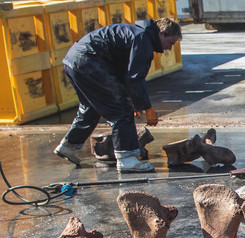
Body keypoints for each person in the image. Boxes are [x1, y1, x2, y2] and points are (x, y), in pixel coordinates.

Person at [53, 16, 182, 173]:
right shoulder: (143, 39)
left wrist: (136, 102)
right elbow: (135, 78)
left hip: (74, 60)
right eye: (171, 42)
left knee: (91, 107)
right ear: (161, 33)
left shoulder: (137, 35)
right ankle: (127, 159)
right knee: (121, 110)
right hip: (88, 61)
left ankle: (69, 145)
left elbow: (124, 75)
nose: (169, 48)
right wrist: (147, 108)